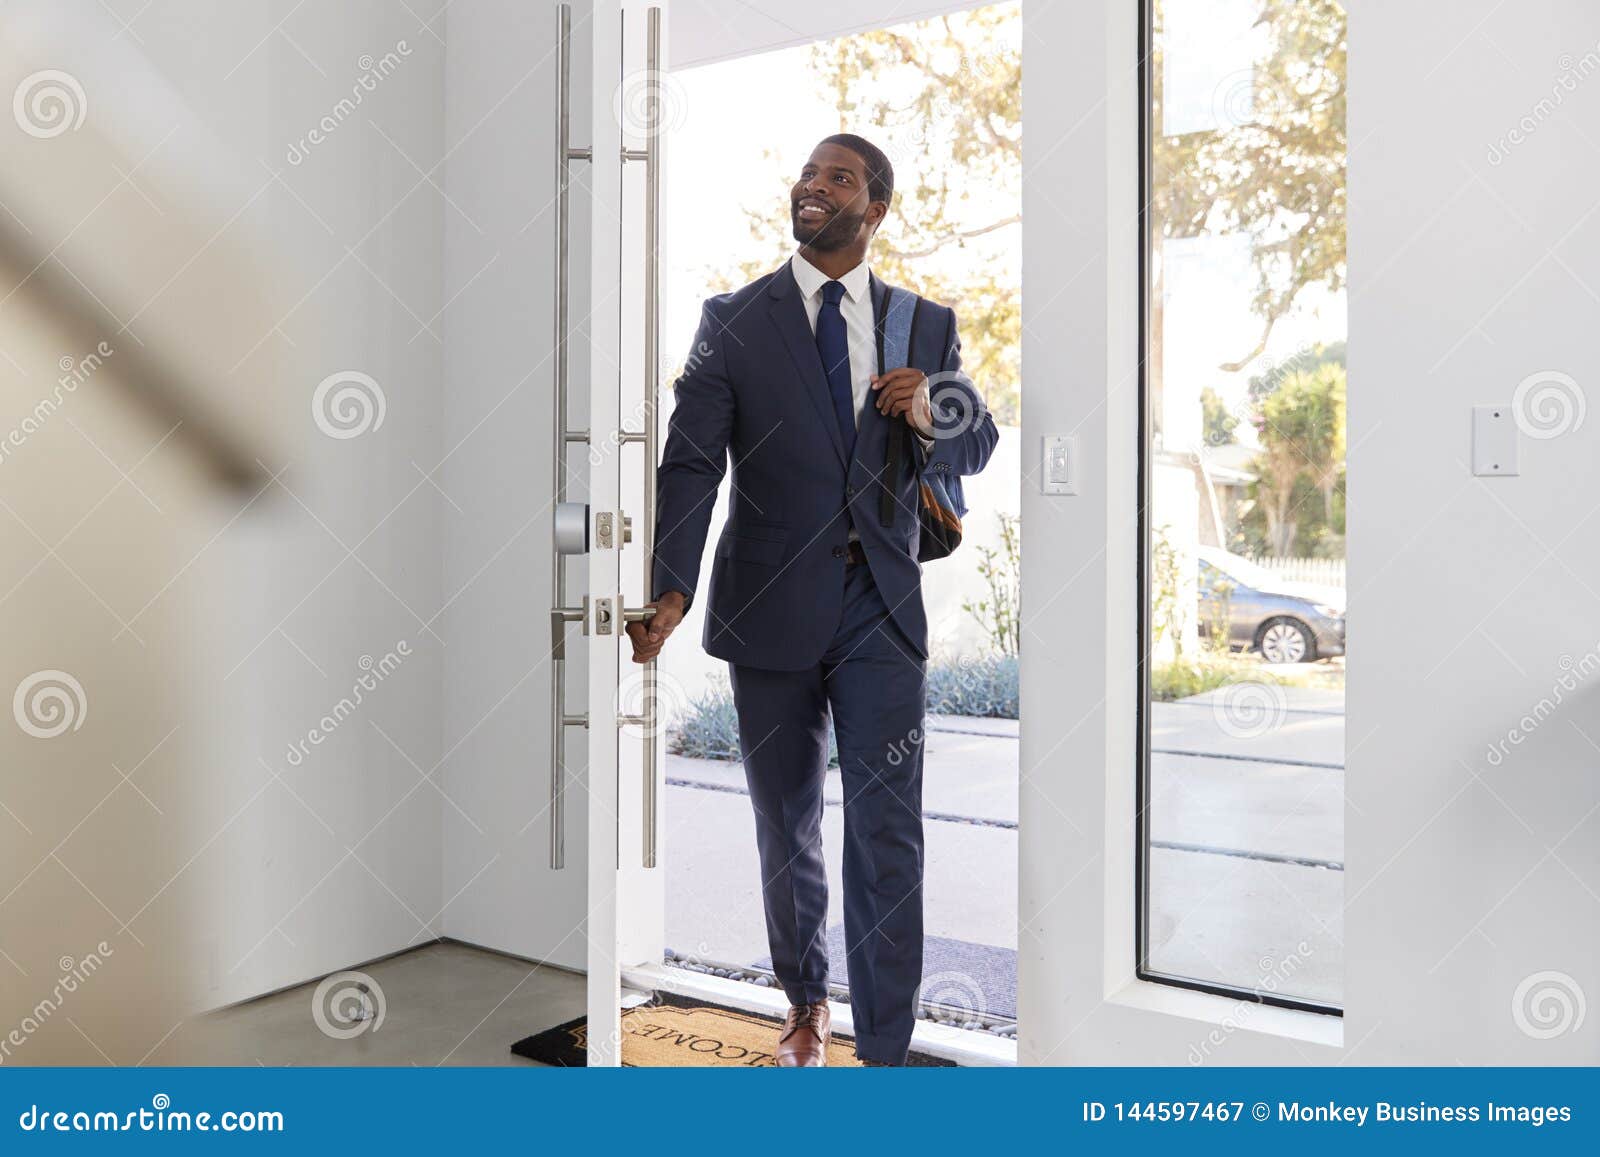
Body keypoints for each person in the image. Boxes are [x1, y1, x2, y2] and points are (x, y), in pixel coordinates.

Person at [627, 134, 998, 1066]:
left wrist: (931, 405)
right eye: (809, 173)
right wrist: (670, 586)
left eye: (839, 177)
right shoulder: (733, 318)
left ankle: (886, 1045)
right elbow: (690, 460)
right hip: (767, 605)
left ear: (873, 210)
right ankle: (804, 1000)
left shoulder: (925, 323)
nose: (814, 186)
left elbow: (978, 443)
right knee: (784, 821)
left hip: (879, 608)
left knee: (887, 831)